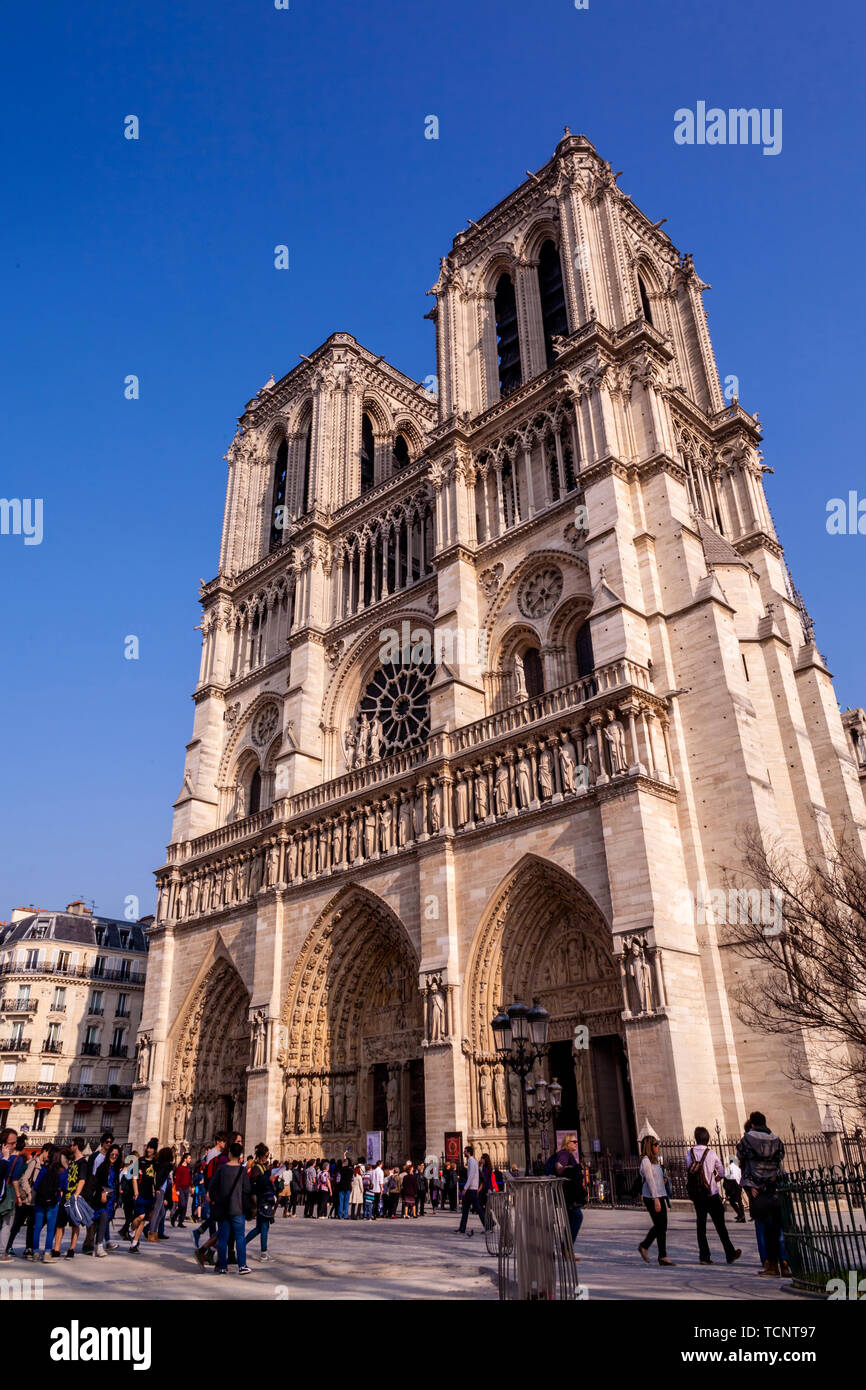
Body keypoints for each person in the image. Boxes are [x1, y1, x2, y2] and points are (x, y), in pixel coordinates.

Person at [737, 1111, 785, 1277]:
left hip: (757, 1189)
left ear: (752, 1124)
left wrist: (751, 1184)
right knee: (778, 1227)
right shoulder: (776, 1139)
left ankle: (770, 1265)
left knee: (764, 1228)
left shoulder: (747, 1138)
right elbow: (780, 1158)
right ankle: (784, 1263)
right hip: (774, 1187)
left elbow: (741, 1159)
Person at [686, 1127, 742, 1266]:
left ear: (696, 1138)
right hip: (711, 1193)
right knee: (720, 1226)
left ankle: (704, 1256)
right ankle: (729, 1253)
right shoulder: (711, 1153)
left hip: (698, 1195)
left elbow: (689, 1170)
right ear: (707, 1139)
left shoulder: (690, 1153)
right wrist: (714, 1179)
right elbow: (722, 1172)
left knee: (701, 1226)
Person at [205, 1141, 250, 1276]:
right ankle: (242, 1266)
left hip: (224, 1209)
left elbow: (212, 1186)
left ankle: (223, 1267)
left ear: (230, 1154)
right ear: (240, 1155)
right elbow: (247, 1189)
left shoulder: (222, 1169)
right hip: (237, 1209)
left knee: (223, 1239)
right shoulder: (242, 1171)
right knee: (240, 1238)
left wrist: (214, 1199)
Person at [637, 1135, 675, 1265]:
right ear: (649, 1146)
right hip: (652, 1197)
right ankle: (657, 1253)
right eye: (655, 1144)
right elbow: (650, 1180)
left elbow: (656, 1179)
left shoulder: (654, 1161)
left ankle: (652, 1250)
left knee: (662, 1226)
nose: (658, 1146)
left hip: (659, 1195)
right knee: (660, 1225)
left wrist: (663, 1181)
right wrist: (656, 1199)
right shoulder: (646, 1161)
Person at [31, 1146, 68, 1262]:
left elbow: (36, 1185)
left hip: (40, 1201)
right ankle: (47, 1253)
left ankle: (35, 1252)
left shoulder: (44, 1169)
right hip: (53, 1202)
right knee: (51, 1229)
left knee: (37, 1228)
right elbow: (64, 1187)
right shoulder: (63, 1171)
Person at [554, 1132, 587, 1261]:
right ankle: (567, 1248)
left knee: (569, 1221)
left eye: (576, 1141)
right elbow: (559, 1169)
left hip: (569, 1193)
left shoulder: (568, 1155)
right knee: (578, 1217)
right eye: (574, 1142)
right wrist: (575, 1168)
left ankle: (566, 1249)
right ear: (567, 1144)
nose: (576, 1144)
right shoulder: (564, 1154)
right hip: (569, 1195)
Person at [245, 1144, 276, 1261]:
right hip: (262, 1201)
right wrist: (268, 1177)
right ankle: (263, 1253)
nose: (267, 1158)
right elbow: (255, 1183)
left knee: (260, 1228)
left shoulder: (261, 1167)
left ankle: (242, 1244)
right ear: (263, 1155)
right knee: (263, 1227)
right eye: (266, 1155)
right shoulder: (257, 1167)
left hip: (264, 1199)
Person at [456, 1144, 485, 1236]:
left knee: (477, 1208)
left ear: (468, 1152)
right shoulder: (470, 1161)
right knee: (466, 1209)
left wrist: (465, 1188)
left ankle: (488, 1225)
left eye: (465, 1151)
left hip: (471, 1189)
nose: (463, 1152)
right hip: (471, 1189)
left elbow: (471, 1176)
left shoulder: (472, 1162)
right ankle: (462, 1228)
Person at [724, 1154, 746, 1223]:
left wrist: (727, 1189)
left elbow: (727, 1179)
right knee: (739, 1201)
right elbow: (740, 1178)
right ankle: (741, 1215)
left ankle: (741, 1215)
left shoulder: (729, 1168)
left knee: (732, 1201)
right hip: (739, 1185)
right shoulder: (738, 1169)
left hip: (732, 1186)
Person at [172, 1152, 192, 1227]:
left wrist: (191, 1187)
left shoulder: (189, 1168)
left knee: (184, 1206)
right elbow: (177, 1180)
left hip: (187, 1188)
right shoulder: (180, 1168)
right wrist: (177, 1190)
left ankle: (180, 1222)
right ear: (185, 1159)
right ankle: (174, 1217)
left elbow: (190, 1179)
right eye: (189, 1158)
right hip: (180, 1188)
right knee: (182, 1205)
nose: (190, 1160)